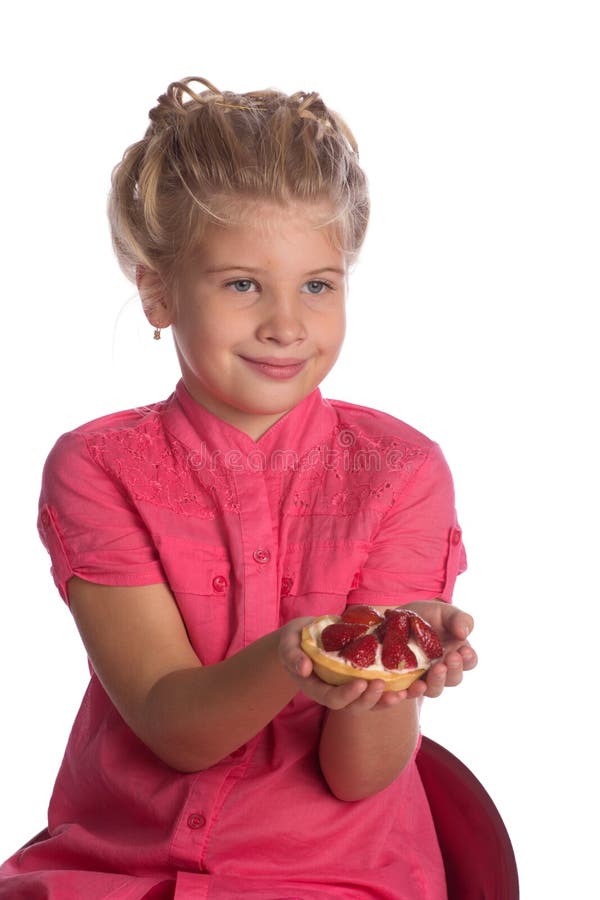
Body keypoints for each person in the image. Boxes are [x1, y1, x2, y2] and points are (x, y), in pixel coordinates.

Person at [0, 76, 476, 899]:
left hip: (333, 878)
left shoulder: (402, 470)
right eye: (242, 284)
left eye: (318, 286)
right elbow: (175, 725)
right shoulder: (98, 467)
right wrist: (296, 653)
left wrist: (392, 667)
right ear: (157, 291)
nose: (286, 325)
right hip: (117, 869)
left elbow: (358, 777)